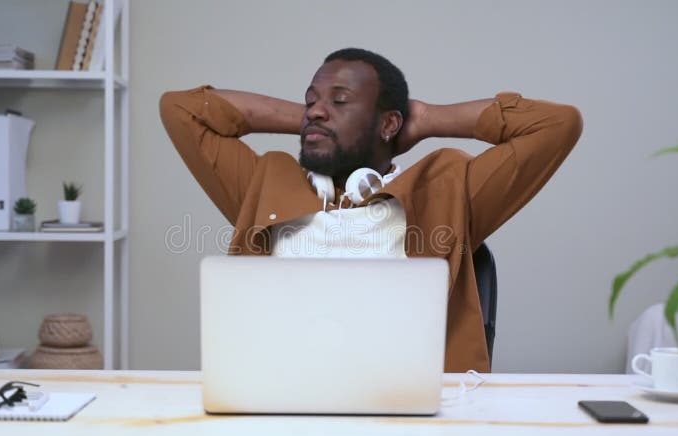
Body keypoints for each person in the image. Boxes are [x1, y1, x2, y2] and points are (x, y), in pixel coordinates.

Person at [160, 48, 583, 372]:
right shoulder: (266, 182)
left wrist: (427, 118)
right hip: (282, 409)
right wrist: (316, 122)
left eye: (340, 100)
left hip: (409, 420)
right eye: (311, 101)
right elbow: (181, 110)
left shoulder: (447, 188)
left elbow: (557, 125)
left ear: (389, 124)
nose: (316, 109)